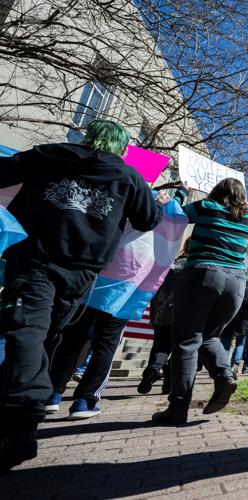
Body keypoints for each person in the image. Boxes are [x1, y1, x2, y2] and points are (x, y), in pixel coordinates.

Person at [0, 120, 164, 471]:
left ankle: (23, 413)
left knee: (30, 334)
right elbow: (149, 219)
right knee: (38, 336)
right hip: (81, 273)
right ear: (122, 148)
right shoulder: (129, 176)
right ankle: (20, 422)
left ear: (88, 137)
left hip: (36, 259)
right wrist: (157, 199)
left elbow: (5, 170)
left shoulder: (50, 155)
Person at [150, 178, 248, 425]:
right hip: (236, 283)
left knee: (186, 341)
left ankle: (178, 407)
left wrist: (181, 193)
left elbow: (177, 216)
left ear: (216, 192)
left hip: (203, 274)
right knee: (209, 336)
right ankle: (223, 376)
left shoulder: (206, 207)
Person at [45, 309, 130, 419]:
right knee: (105, 346)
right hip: (121, 301)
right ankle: (85, 401)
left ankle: (52, 394)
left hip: (88, 298)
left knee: (70, 341)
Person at [137, 246, 189, 395]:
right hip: (182, 311)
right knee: (179, 348)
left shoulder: (171, 263)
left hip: (161, 308)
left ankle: (154, 368)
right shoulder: (196, 266)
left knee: (161, 345)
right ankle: (168, 385)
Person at [220, 281, 248, 376]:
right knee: (240, 345)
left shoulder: (230, 282)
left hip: (229, 319)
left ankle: (223, 369)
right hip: (244, 322)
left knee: (226, 346)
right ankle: (235, 366)